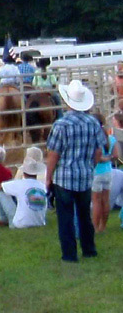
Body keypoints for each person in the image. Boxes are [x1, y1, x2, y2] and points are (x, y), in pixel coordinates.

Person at [45, 79, 105, 262]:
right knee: (84, 215)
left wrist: (48, 177)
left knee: (66, 218)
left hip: (64, 177)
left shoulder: (60, 125)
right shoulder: (93, 123)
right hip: (84, 175)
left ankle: (70, 255)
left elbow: (53, 154)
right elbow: (98, 150)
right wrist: (90, 166)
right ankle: (89, 249)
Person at [0, 158, 48, 229]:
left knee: (0, 192)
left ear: (24, 172)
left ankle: (3, 219)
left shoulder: (20, 183)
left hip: (19, 224)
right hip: (40, 222)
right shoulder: (42, 186)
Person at [91, 117, 118, 233]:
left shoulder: (94, 139)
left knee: (96, 201)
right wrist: (108, 158)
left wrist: (101, 159)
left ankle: (95, 227)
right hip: (108, 172)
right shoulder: (111, 139)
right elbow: (116, 155)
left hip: (96, 172)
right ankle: (103, 226)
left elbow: (96, 156)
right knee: (105, 200)